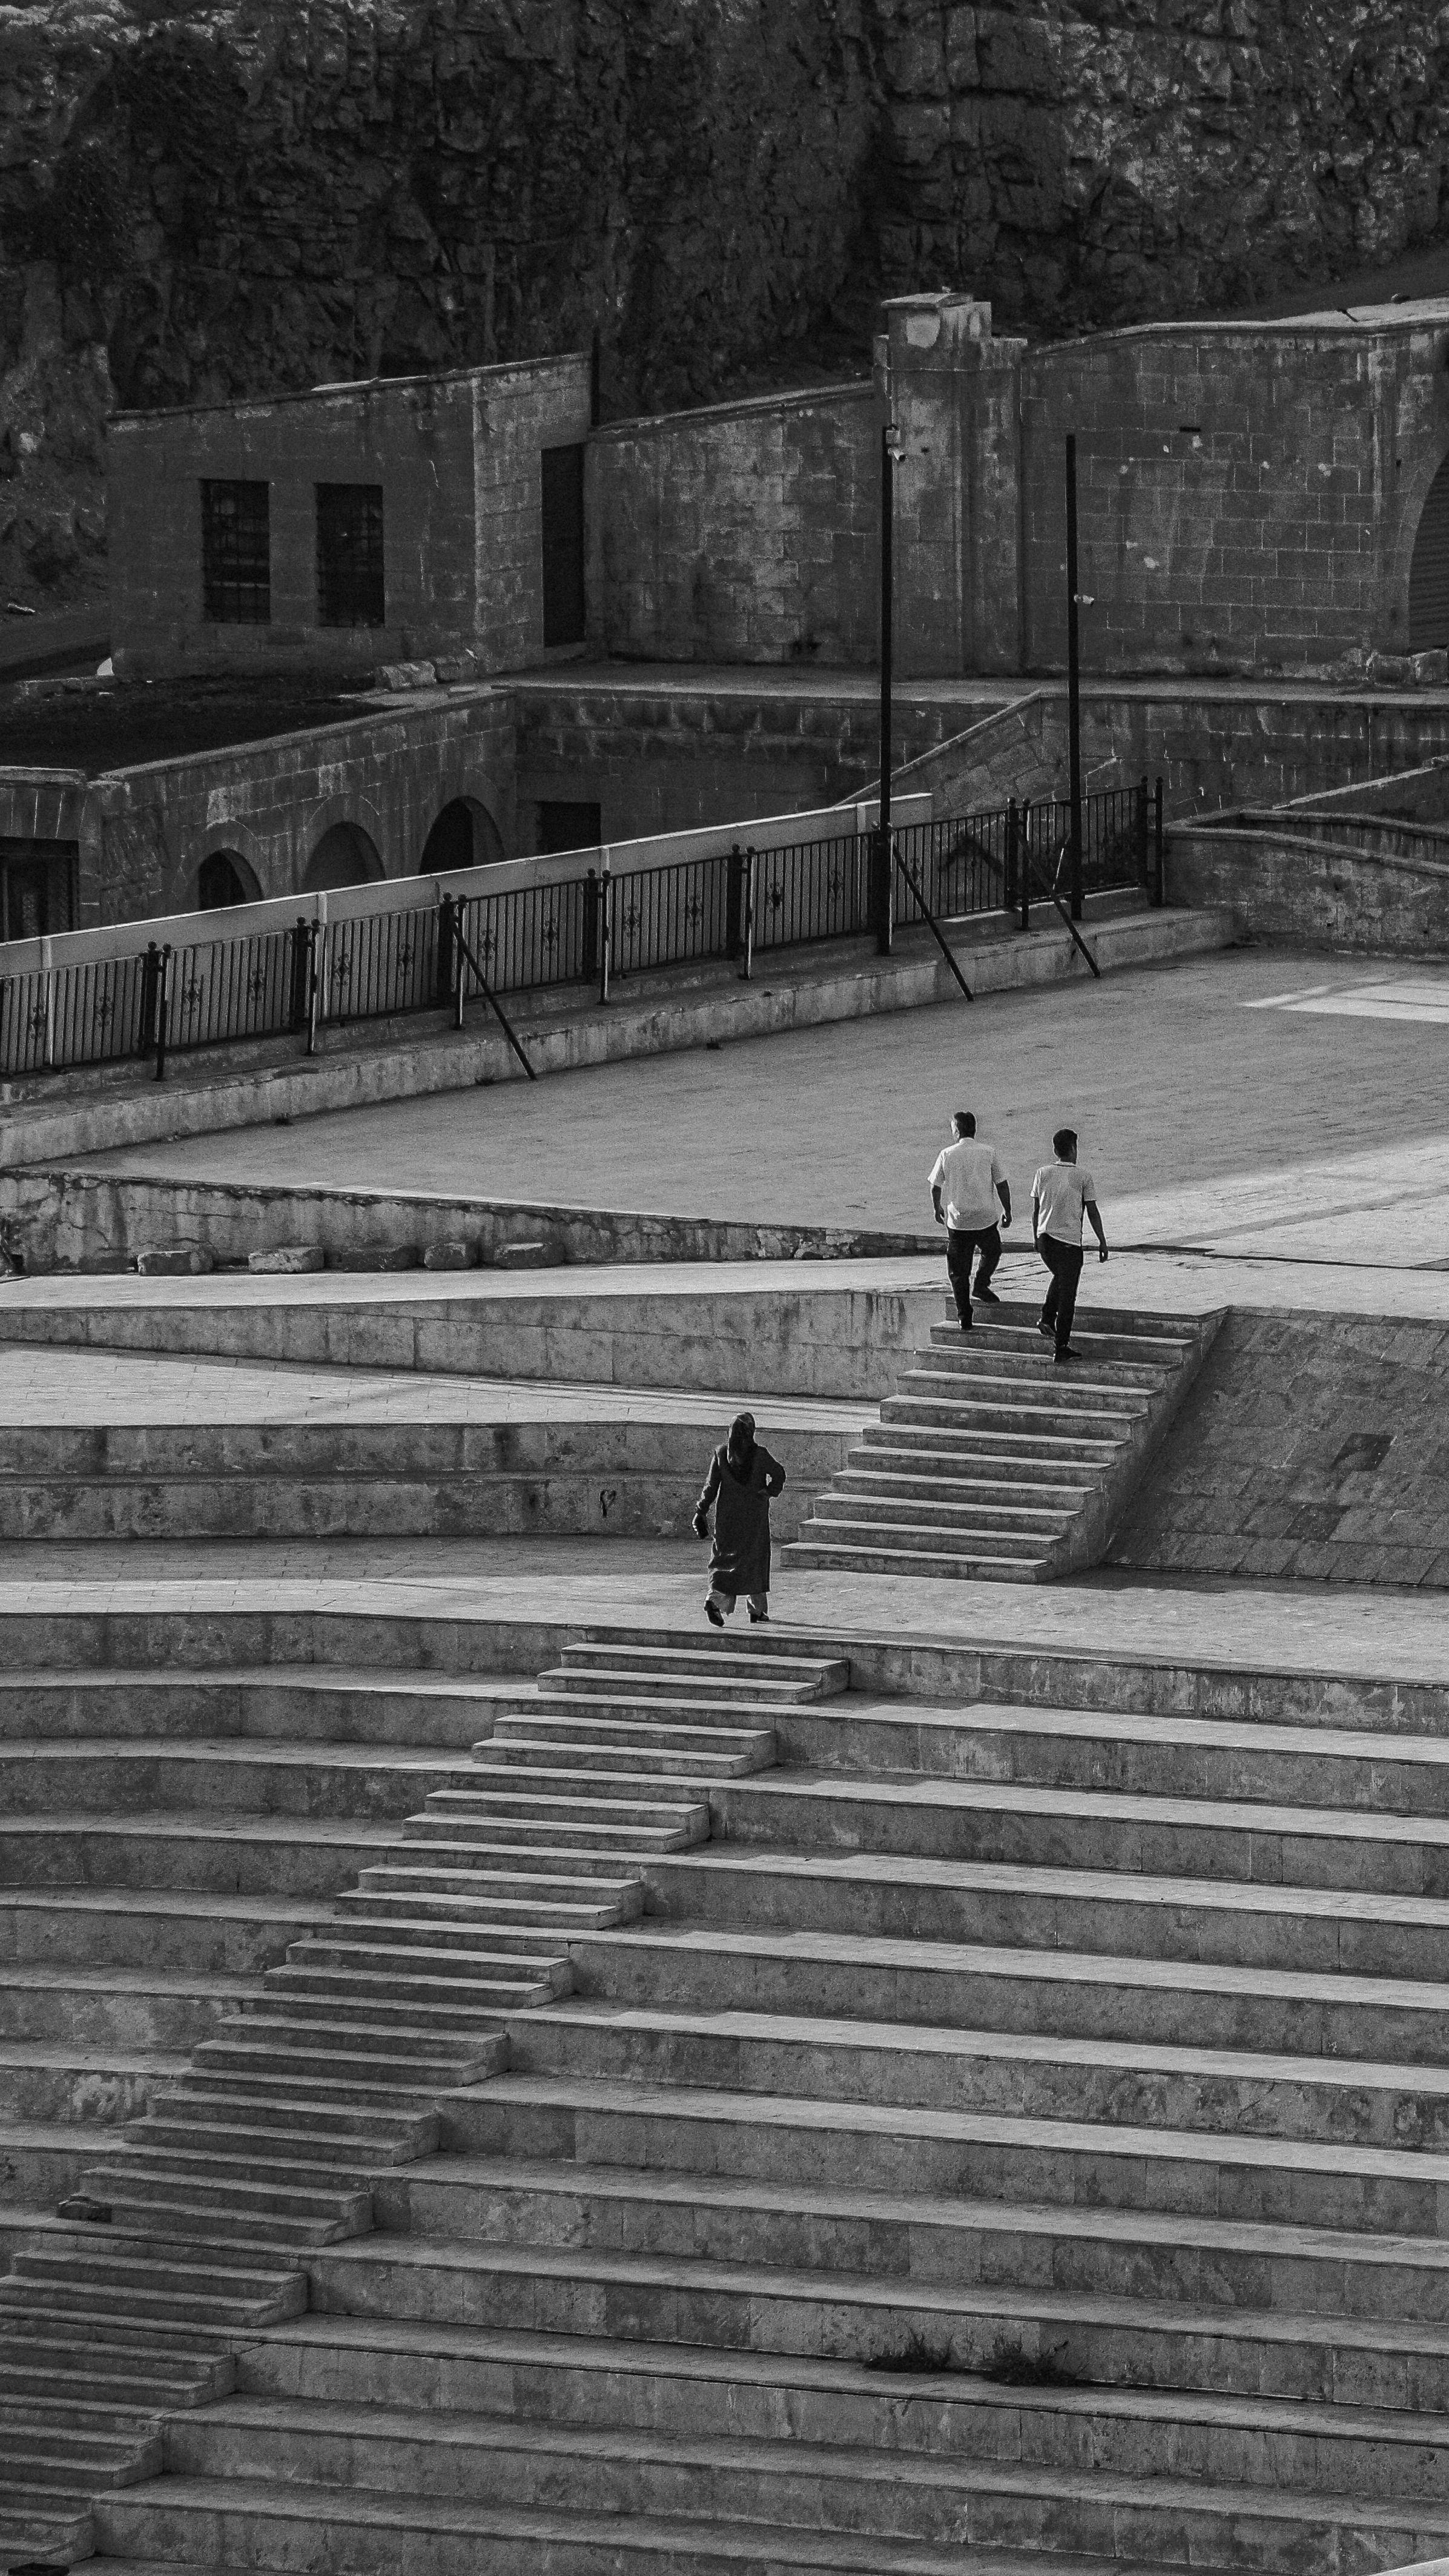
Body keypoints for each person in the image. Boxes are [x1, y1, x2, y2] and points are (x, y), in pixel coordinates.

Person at [693, 1412, 786, 1626]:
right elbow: (779, 1473)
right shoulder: (760, 1455)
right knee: (754, 1561)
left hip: (728, 1519)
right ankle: (756, 1609)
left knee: (725, 1560)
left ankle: (717, 1600)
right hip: (754, 1518)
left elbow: (710, 1488)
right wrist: (769, 1491)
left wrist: (701, 1511)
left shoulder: (721, 1454)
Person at [928, 1110, 1011, 1331]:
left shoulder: (947, 1154)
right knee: (993, 1251)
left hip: (959, 1222)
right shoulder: (988, 1152)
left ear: (957, 1131)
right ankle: (982, 1284)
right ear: (974, 1129)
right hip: (985, 1217)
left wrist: (937, 1208)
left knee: (958, 1271)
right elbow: (1001, 1183)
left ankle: (965, 1316)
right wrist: (1007, 1210)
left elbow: (935, 1185)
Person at [1031, 1126, 1107, 1363]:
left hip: (1045, 1240)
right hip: (1069, 1244)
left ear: (1055, 1150)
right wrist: (1102, 1241)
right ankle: (1061, 1345)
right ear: (1074, 1149)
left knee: (1060, 1278)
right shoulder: (1082, 1175)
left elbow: (1036, 1209)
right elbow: (1092, 1211)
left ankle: (1046, 1318)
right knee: (1068, 1297)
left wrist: (1036, 1237)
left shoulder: (1042, 1173)